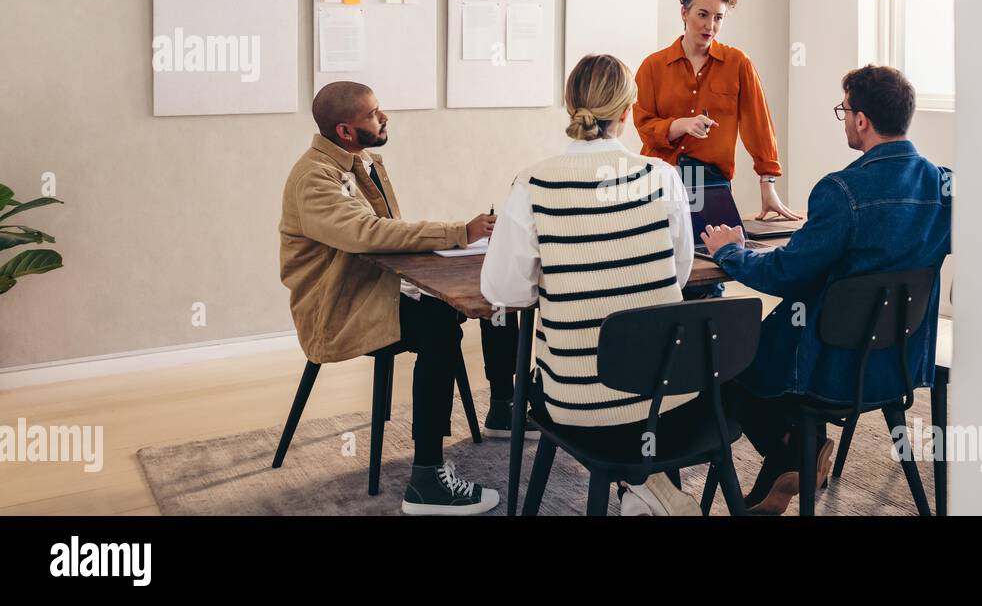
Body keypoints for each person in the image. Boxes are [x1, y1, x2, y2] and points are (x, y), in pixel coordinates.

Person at [699, 65, 953, 515]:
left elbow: (783, 274)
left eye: (846, 110)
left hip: (829, 371)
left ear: (861, 120)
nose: (845, 119)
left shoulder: (842, 190)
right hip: (898, 364)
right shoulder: (944, 186)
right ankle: (795, 448)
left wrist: (730, 251)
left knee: (724, 366)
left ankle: (797, 445)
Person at [279, 81, 519, 515]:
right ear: (345, 130)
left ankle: (504, 408)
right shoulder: (314, 179)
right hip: (339, 309)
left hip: (378, 287)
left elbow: (385, 234)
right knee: (439, 329)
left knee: (496, 295)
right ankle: (426, 480)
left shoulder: (360, 162)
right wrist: (458, 233)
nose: (384, 117)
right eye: (373, 114)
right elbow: (367, 234)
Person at [481, 54, 706, 516]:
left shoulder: (533, 184)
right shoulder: (662, 178)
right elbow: (676, 276)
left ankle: (640, 486)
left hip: (578, 406)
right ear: (628, 112)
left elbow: (504, 293)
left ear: (570, 106)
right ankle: (645, 485)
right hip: (670, 402)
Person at [632, 0, 802, 220]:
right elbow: (644, 125)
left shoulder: (738, 63)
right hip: (659, 179)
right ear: (684, 13)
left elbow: (758, 125)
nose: (710, 25)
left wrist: (768, 182)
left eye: (718, 18)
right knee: (659, 254)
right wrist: (678, 125)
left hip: (711, 183)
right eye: (703, 15)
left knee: (717, 252)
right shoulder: (653, 66)